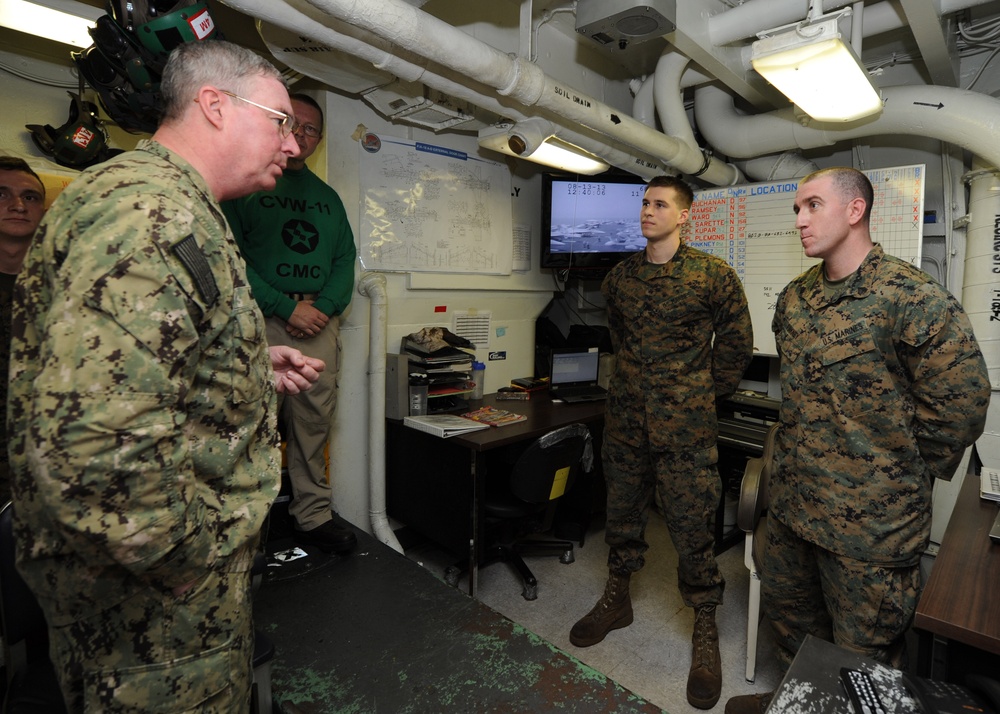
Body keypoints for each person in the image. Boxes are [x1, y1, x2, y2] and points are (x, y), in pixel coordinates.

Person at [8, 40, 325, 712]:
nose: (293, 146)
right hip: (152, 599)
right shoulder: (150, 215)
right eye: (279, 122)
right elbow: (94, 446)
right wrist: (181, 562)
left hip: (160, 577)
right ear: (214, 105)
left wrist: (245, 359)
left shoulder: (163, 199)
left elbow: (140, 357)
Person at [725, 167, 991, 714]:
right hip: (796, 511)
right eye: (796, 208)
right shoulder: (796, 298)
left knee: (863, 667)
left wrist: (898, 475)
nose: (799, 219)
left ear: (854, 211)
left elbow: (962, 404)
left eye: (812, 206)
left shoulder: (911, 296)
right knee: (793, 633)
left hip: (871, 530)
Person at [570, 175, 753, 710]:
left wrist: (699, 391)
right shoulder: (620, 277)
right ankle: (617, 599)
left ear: (684, 215)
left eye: (660, 204)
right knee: (622, 514)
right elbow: (621, 339)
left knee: (692, 524)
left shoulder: (712, 274)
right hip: (626, 419)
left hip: (686, 427)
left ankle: (703, 624)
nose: (648, 211)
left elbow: (737, 344)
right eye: (644, 203)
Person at [223, 93, 358, 554]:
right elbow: (232, 258)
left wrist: (323, 306)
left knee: (314, 424)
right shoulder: (249, 185)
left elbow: (345, 260)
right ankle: (250, 530)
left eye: (311, 129)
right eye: (291, 124)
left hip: (320, 322)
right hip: (261, 321)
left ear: (319, 139)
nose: (300, 136)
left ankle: (313, 516)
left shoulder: (329, 199)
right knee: (253, 425)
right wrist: (284, 306)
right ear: (277, 127)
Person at [0, 157, 45, 504]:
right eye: (2, 195)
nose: (18, 206)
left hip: (39, 466)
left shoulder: (68, 290)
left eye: (30, 197)